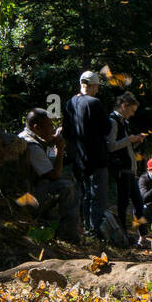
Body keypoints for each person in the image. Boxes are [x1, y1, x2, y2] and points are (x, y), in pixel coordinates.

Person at [18, 109, 80, 242]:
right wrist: (61, 148)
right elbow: (55, 175)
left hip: (23, 192)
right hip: (28, 197)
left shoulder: (23, 136)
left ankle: (50, 227)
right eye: (50, 126)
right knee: (66, 187)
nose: (52, 130)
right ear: (36, 128)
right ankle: (69, 236)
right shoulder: (32, 146)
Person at [65, 70, 109, 239]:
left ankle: (83, 227)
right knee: (98, 195)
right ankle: (95, 231)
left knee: (83, 194)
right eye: (97, 86)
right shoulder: (95, 103)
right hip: (97, 157)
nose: (97, 89)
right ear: (91, 86)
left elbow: (67, 132)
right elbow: (106, 128)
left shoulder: (70, 103)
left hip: (79, 158)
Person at [107, 91, 148, 247]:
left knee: (138, 203)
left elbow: (123, 145)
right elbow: (111, 146)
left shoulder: (123, 122)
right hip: (121, 170)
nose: (132, 115)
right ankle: (123, 236)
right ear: (124, 106)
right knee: (123, 204)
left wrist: (134, 141)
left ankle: (142, 237)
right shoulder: (113, 121)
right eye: (131, 111)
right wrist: (129, 139)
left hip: (129, 170)